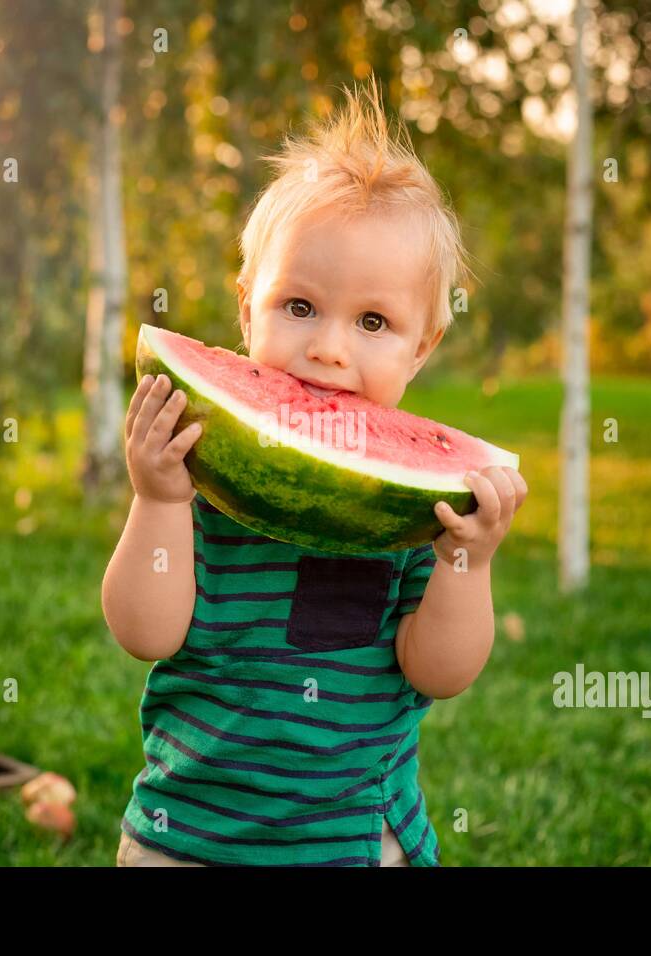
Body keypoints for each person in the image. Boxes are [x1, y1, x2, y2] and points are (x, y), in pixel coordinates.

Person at [103, 77, 527, 866]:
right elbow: (144, 631)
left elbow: (436, 672)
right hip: (186, 835)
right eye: (298, 306)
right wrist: (158, 499)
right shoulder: (205, 483)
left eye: (373, 322)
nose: (330, 347)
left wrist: (464, 563)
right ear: (246, 310)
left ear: (421, 348)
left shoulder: (410, 513)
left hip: (354, 840)